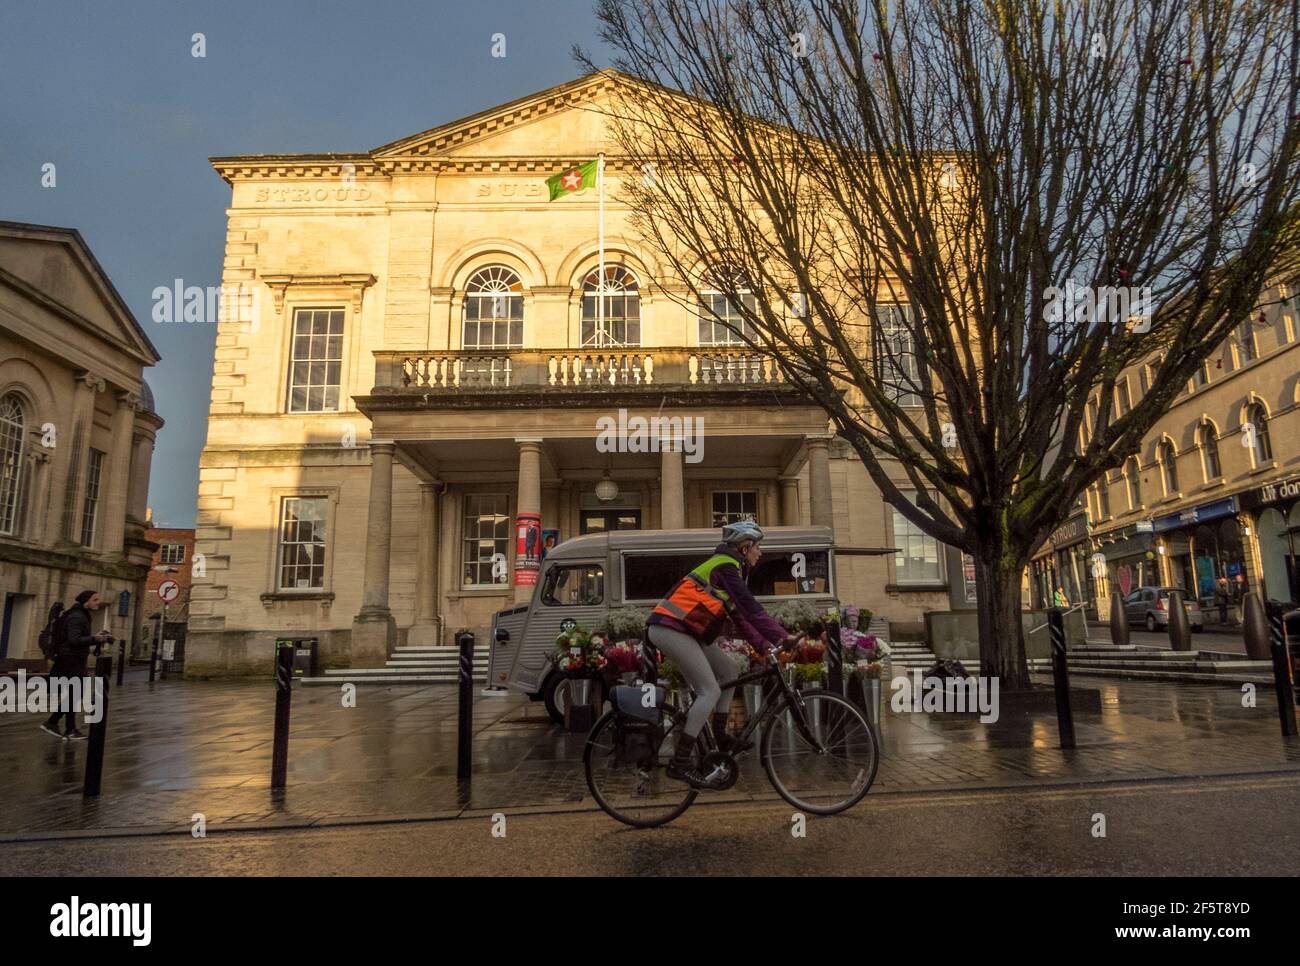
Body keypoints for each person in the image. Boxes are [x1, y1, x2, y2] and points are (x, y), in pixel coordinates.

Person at [648, 521, 799, 787]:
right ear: (744, 547)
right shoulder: (725, 566)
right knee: (710, 691)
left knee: (730, 671)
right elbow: (751, 608)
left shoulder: (729, 570)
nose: (760, 553)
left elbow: (741, 618)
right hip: (670, 629)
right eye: (757, 547)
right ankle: (680, 762)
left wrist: (765, 647)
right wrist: (781, 637)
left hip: (688, 631)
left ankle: (720, 736)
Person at [41, 589, 110, 740]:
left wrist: (95, 639)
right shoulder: (77, 617)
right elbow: (74, 640)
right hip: (70, 660)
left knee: (74, 694)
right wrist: (95, 639)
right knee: (74, 694)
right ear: (86, 601)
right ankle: (60, 725)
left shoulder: (80, 615)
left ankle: (64, 727)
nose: (98, 602)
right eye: (95, 600)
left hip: (73, 660)